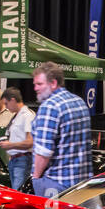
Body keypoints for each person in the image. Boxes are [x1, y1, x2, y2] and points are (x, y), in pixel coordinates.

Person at [30, 61, 91, 199]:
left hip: (56, 184)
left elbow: (43, 152)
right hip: (83, 184)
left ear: (53, 83)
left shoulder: (50, 106)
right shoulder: (79, 102)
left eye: (39, 84)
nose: (35, 88)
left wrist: (35, 178)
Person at [0, 86, 35, 190]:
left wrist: (10, 145)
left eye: (6, 103)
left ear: (13, 100)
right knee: (15, 192)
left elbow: (30, 142)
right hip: (15, 160)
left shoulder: (27, 115)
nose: (6, 107)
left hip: (23, 160)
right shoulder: (16, 116)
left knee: (18, 192)